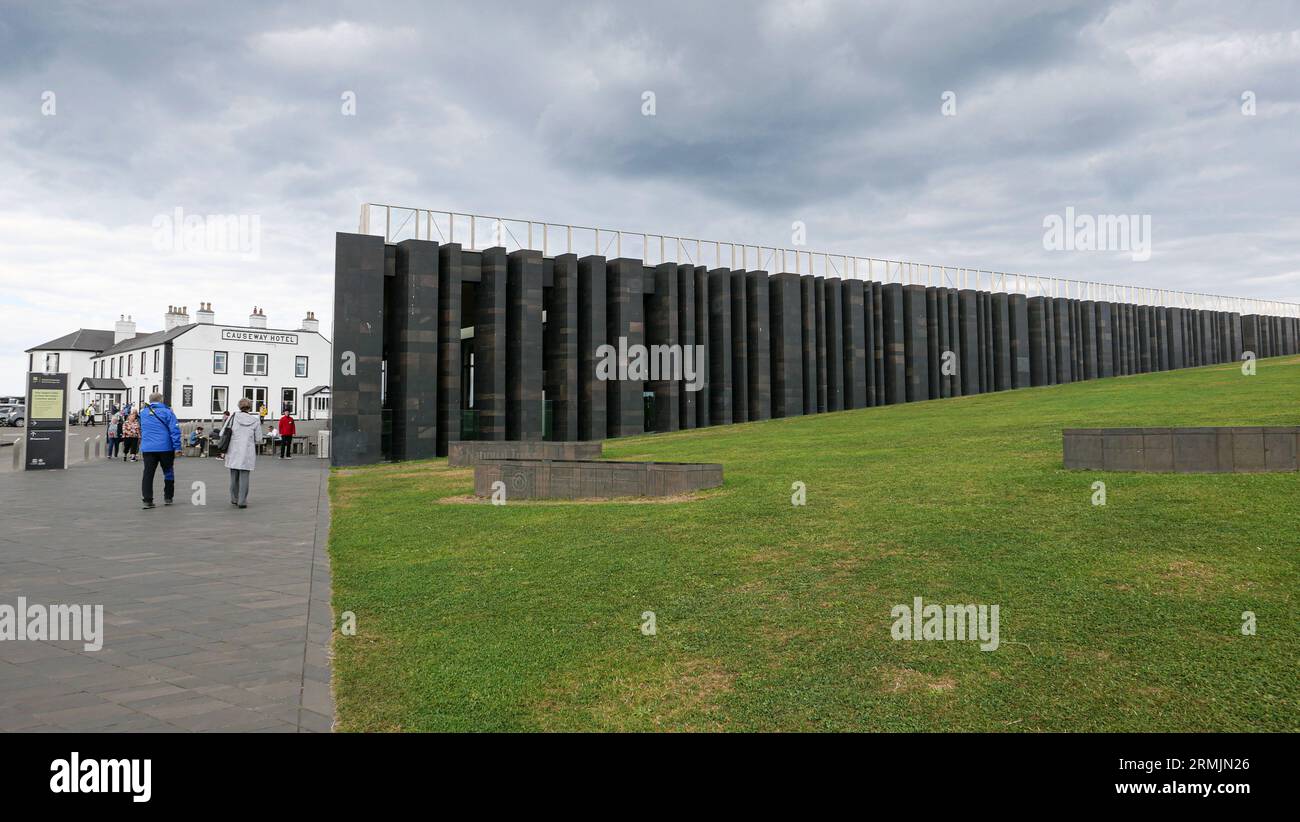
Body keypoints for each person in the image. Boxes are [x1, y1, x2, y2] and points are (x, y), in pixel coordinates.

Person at [138, 392, 182, 510]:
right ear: (161, 400)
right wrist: (177, 447)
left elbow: (142, 427)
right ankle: (168, 497)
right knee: (168, 471)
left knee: (148, 473)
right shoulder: (167, 412)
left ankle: (147, 500)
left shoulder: (143, 413)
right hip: (165, 447)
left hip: (148, 447)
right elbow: (175, 430)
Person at [222, 397, 260, 508]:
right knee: (244, 477)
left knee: (234, 476)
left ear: (239, 406)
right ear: (250, 407)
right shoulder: (255, 420)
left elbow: (222, 433)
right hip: (247, 452)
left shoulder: (233, 417)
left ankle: (234, 498)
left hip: (233, 450)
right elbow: (258, 438)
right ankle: (242, 501)